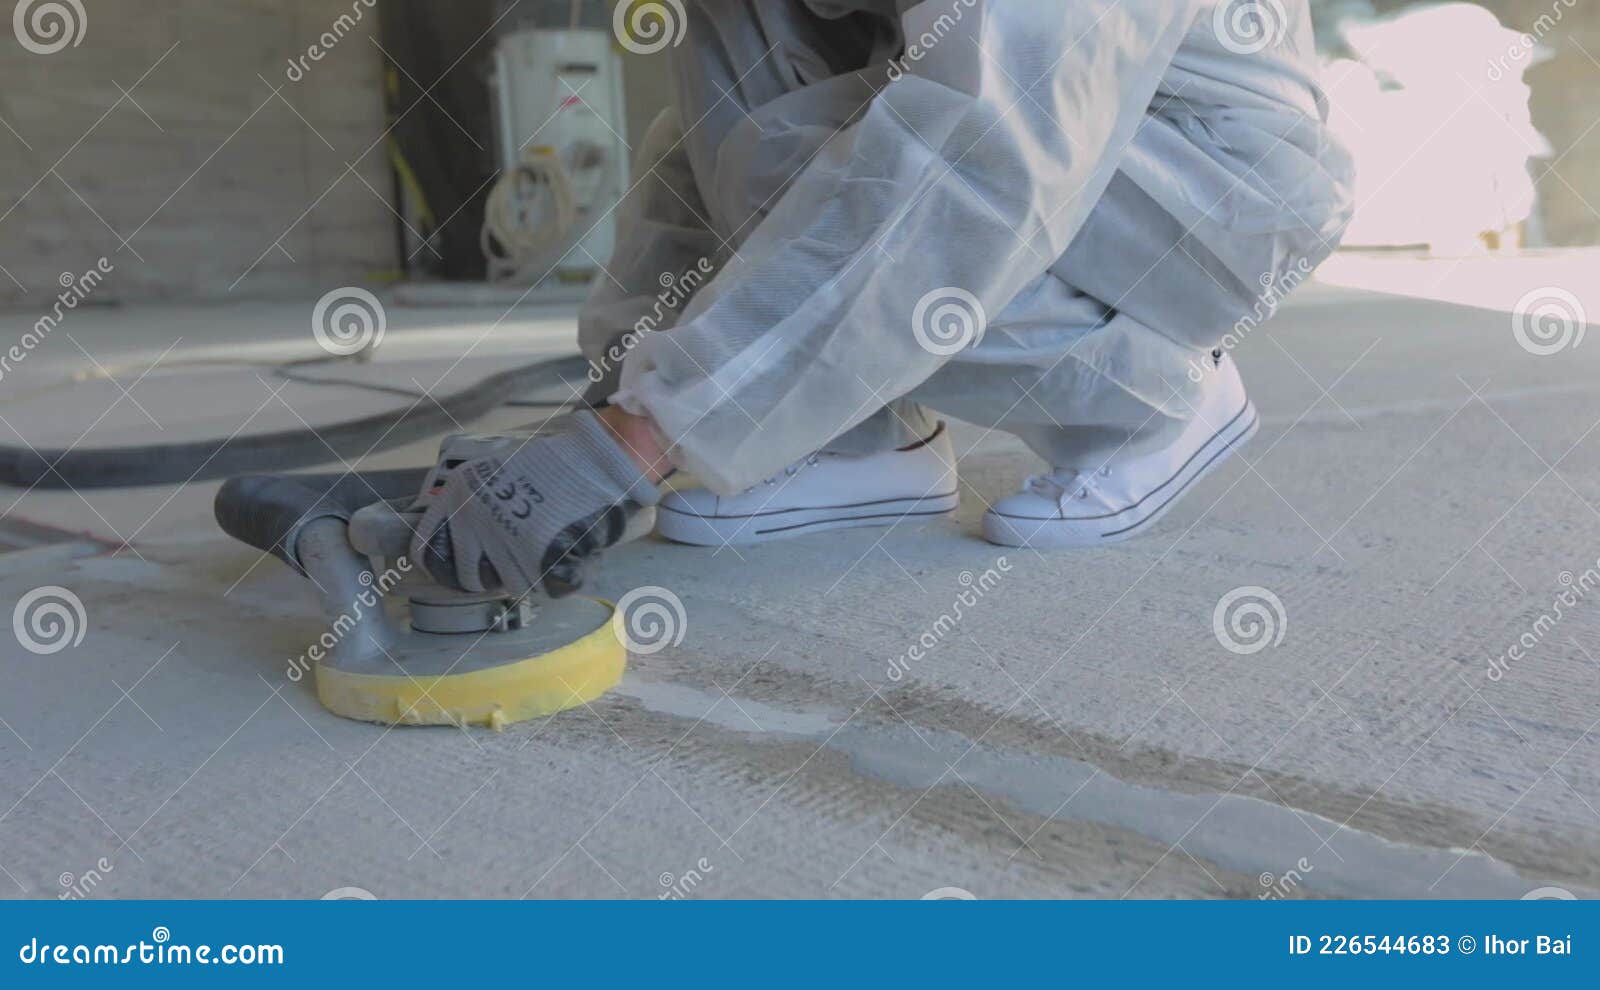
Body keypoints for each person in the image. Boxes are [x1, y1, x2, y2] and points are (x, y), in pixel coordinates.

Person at [412, 0, 1354, 598]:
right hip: (1038, 135)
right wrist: (611, 408)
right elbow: (708, 150)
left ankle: (1150, 403)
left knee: (855, 172)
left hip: (1214, 185)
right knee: (768, 133)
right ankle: (864, 440)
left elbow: (973, 165)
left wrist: (648, 437)